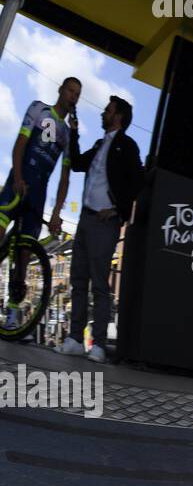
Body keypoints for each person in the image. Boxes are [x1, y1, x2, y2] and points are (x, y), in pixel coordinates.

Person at [64, 96, 143, 362]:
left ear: (118, 116)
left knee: (99, 284)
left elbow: (138, 181)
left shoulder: (128, 146)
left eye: (107, 110)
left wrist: (119, 210)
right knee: (77, 281)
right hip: (85, 220)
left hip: (104, 223)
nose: (103, 113)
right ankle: (75, 339)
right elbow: (76, 163)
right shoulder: (99, 144)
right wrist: (73, 133)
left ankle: (97, 344)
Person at [0, 78, 80, 331]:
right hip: (17, 184)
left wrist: (57, 213)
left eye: (78, 94)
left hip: (38, 195)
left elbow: (65, 177)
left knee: (24, 257)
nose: (73, 97)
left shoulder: (68, 134)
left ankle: (13, 315)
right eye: (70, 91)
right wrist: (19, 177)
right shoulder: (38, 108)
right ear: (60, 90)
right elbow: (19, 145)